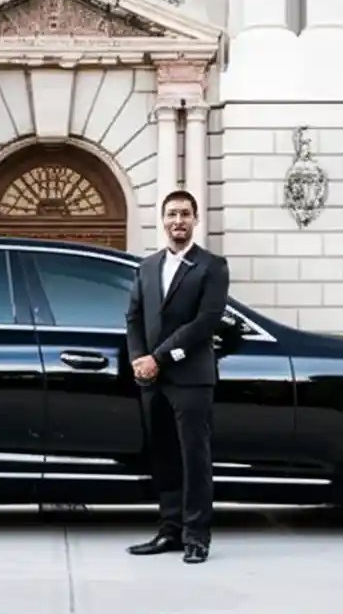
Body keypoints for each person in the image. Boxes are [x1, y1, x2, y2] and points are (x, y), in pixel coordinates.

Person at [124, 189, 229, 564]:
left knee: (194, 459)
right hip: (152, 381)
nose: (178, 221)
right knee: (165, 457)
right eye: (171, 214)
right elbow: (133, 317)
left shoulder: (212, 267)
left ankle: (197, 536)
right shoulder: (147, 267)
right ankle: (169, 530)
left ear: (195, 220)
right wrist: (138, 357)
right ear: (162, 220)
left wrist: (159, 357)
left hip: (192, 378)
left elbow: (207, 322)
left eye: (185, 214)